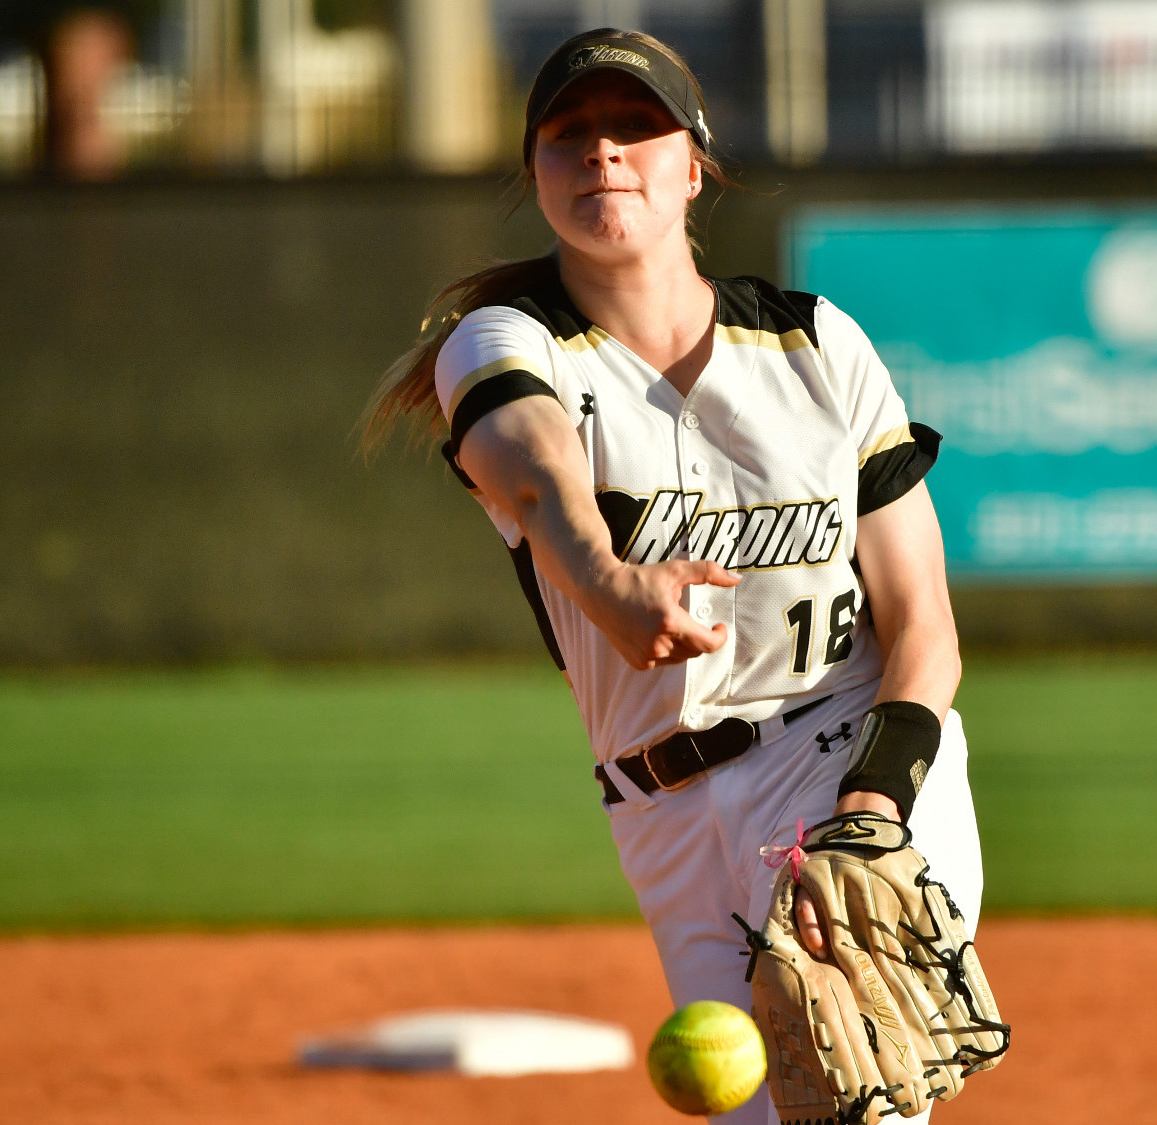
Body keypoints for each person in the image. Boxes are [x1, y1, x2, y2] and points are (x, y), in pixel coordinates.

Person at [363, 29, 985, 1124]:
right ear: (536, 176)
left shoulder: (814, 345)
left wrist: (874, 805)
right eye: (568, 134)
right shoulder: (503, 341)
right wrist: (601, 578)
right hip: (660, 817)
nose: (602, 152)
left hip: (840, 760)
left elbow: (922, 626)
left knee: (852, 1106)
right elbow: (530, 462)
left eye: (633, 127)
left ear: (691, 167)